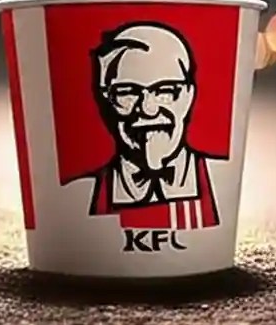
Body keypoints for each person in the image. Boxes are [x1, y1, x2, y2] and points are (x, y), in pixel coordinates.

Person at [84, 23, 220, 230]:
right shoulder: (78, 195)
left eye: (165, 90)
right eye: (127, 92)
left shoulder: (221, 180)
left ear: (188, 96)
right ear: (105, 101)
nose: (148, 109)